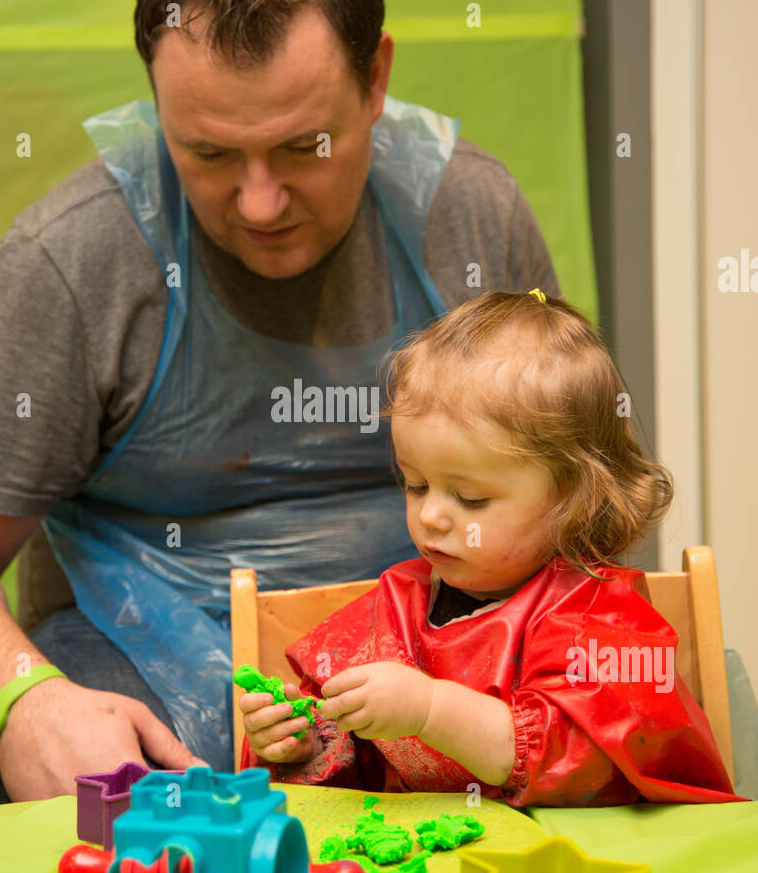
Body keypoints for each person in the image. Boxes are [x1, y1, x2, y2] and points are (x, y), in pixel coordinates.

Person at [0, 0, 560, 807]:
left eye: (302, 147)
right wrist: (24, 701)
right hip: (148, 685)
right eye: (207, 153)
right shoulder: (78, 256)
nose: (259, 202)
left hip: (445, 666)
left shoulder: (469, 221)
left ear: (376, 81)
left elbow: (579, 490)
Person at [240, 290, 744, 805]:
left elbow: (581, 763)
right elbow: (353, 770)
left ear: (571, 492)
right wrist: (300, 745)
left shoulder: (601, 619)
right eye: (415, 485)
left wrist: (431, 709)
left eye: (470, 497)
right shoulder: (392, 610)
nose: (431, 515)